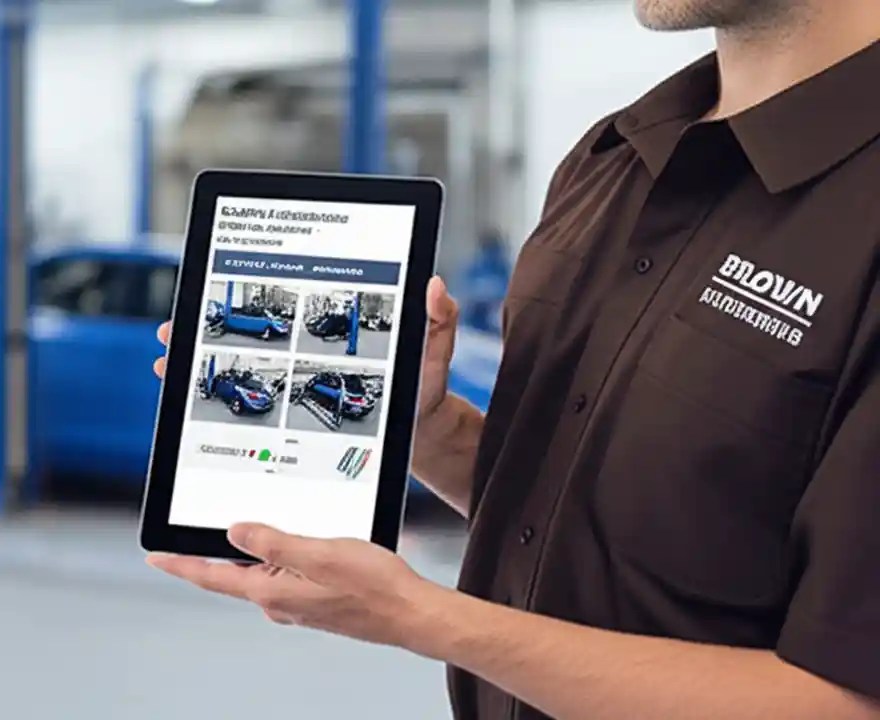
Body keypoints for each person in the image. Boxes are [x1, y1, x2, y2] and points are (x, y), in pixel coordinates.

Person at [149, 2, 880, 717]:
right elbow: (612, 523)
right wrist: (429, 430)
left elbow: (844, 699)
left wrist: (418, 616)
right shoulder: (613, 158)